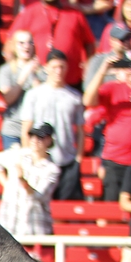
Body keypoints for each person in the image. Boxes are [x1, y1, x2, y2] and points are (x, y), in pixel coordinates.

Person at [19, 50, 85, 199]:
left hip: (66, 159)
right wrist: (28, 156)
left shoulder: (74, 97)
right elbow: (26, 130)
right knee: (37, 200)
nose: (58, 71)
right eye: (54, 67)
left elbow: (81, 131)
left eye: (62, 67)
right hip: (40, 160)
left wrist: (79, 158)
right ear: (46, 67)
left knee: (64, 207)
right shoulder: (34, 94)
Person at [10, 0, 95, 89]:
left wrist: (88, 65)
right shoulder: (28, 13)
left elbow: (89, 43)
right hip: (39, 78)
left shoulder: (75, 14)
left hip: (70, 78)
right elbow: (11, 43)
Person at [82, 56, 131, 201]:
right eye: (128, 66)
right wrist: (103, 70)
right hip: (116, 160)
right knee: (111, 207)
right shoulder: (114, 88)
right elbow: (88, 100)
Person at [0, 123, 60, 237]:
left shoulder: (52, 169)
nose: (35, 140)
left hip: (34, 228)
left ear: (49, 141)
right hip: (9, 221)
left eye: (40, 137)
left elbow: (38, 195)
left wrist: (22, 180)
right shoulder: (18, 154)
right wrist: (7, 185)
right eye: (32, 136)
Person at [0, 30, 45, 149]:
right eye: (21, 43)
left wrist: (33, 75)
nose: (26, 46)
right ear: (14, 46)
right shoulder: (6, 70)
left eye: (30, 43)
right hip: (13, 129)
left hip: (36, 131)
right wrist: (24, 74)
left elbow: (43, 99)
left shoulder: (42, 72)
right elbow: (8, 98)